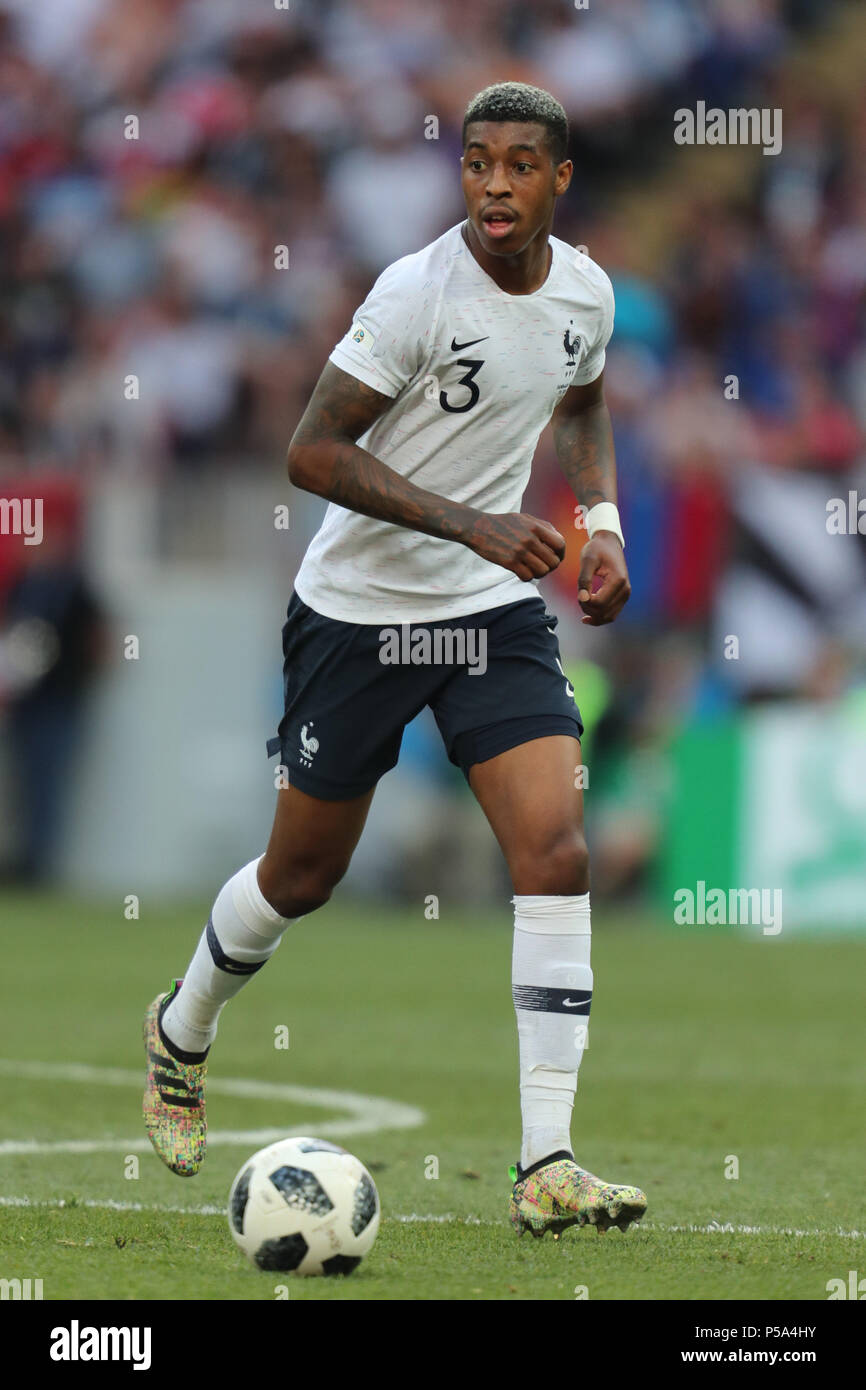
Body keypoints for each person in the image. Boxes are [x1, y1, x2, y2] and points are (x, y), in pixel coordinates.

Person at [143, 81, 647, 1243]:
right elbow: (308, 451)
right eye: (476, 164)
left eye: (519, 166)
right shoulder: (418, 292)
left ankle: (545, 1161)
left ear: (558, 179)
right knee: (300, 876)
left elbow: (582, 398)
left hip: (485, 612)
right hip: (358, 612)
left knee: (554, 846)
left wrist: (602, 521)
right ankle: (183, 1027)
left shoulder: (586, 292)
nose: (493, 186)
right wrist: (475, 522)